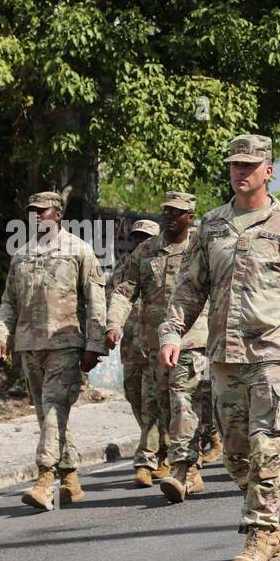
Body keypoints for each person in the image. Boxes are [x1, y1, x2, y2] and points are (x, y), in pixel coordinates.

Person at [159, 134, 280, 561]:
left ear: (268, 171)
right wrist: (172, 330)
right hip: (225, 355)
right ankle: (272, 524)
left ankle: (258, 537)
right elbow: (190, 287)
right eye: (234, 166)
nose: (240, 173)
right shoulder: (213, 225)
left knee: (268, 444)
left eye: (249, 165)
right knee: (236, 452)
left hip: (273, 353)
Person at [0, 191, 106, 511]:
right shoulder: (22, 255)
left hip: (65, 344)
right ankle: (69, 477)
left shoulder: (79, 251)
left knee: (54, 407)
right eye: (32, 212)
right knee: (46, 414)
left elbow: (96, 302)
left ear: (58, 215)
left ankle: (44, 479)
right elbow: (9, 302)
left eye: (42, 212)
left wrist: (95, 345)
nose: (36, 217)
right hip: (29, 345)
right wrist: (1, 336)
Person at [107, 191, 208, 503]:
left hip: (191, 340)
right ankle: (189, 462)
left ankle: (183, 469)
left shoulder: (201, 248)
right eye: (166, 210)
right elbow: (125, 290)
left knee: (182, 402)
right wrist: (113, 323)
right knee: (164, 406)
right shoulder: (147, 250)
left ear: (190, 216)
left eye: (177, 212)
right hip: (154, 344)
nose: (170, 216)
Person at [115, 220, 170, 487]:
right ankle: (160, 446)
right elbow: (116, 299)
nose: (139, 241)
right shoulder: (123, 269)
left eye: (144, 237)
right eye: (136, 237)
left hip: (155, 345)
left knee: (152, 404)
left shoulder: (163, 265)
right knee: (135, 399)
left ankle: (149, 459)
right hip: (130, 348)